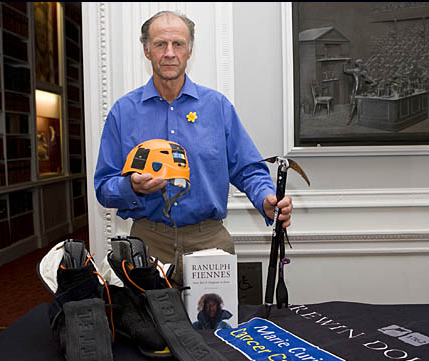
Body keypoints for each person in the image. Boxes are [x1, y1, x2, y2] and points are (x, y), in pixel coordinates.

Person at [94, 10, 293, 286]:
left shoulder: (217, 107)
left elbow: (248, 169)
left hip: (209, 242)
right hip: (147, 244)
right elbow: (103, 187)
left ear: (189, 50)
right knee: (149, 329)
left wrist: (266, 198)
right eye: (160, 44)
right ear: (146, 50)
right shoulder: (123, 112)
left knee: (215, 326)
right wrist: (133, 187)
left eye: (178, 44)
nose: (169, 53)